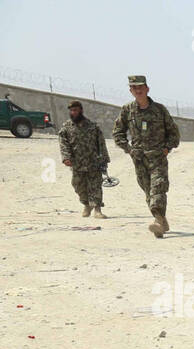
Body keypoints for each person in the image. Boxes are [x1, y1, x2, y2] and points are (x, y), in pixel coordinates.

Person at [111, 75, 180, 237]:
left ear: (147, 89)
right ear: (130, 91)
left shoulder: (159, 110)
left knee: (158, 187)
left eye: (140, 87)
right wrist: (128, 149)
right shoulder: (127, 110)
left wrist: (167, 148)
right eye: (134, 88)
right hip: (139, 159)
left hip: (158, 157)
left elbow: (173, 133)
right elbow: (117, 132)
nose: (138, 90)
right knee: (148, 191)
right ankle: (161, 220)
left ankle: (158, 221)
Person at [58, 101, 108, 218]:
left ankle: (97, 209)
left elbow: (101, 143)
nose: (73, 112)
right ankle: (86, 204)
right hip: (77, 163)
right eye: (71, 110)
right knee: (78, 185)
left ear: (81, 110)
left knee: (95, 185)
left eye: (75, 110)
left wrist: (104, 159)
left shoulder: (92, 126)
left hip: (93, 161)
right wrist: (66, 157)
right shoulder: (66, 127)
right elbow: (63, 144)